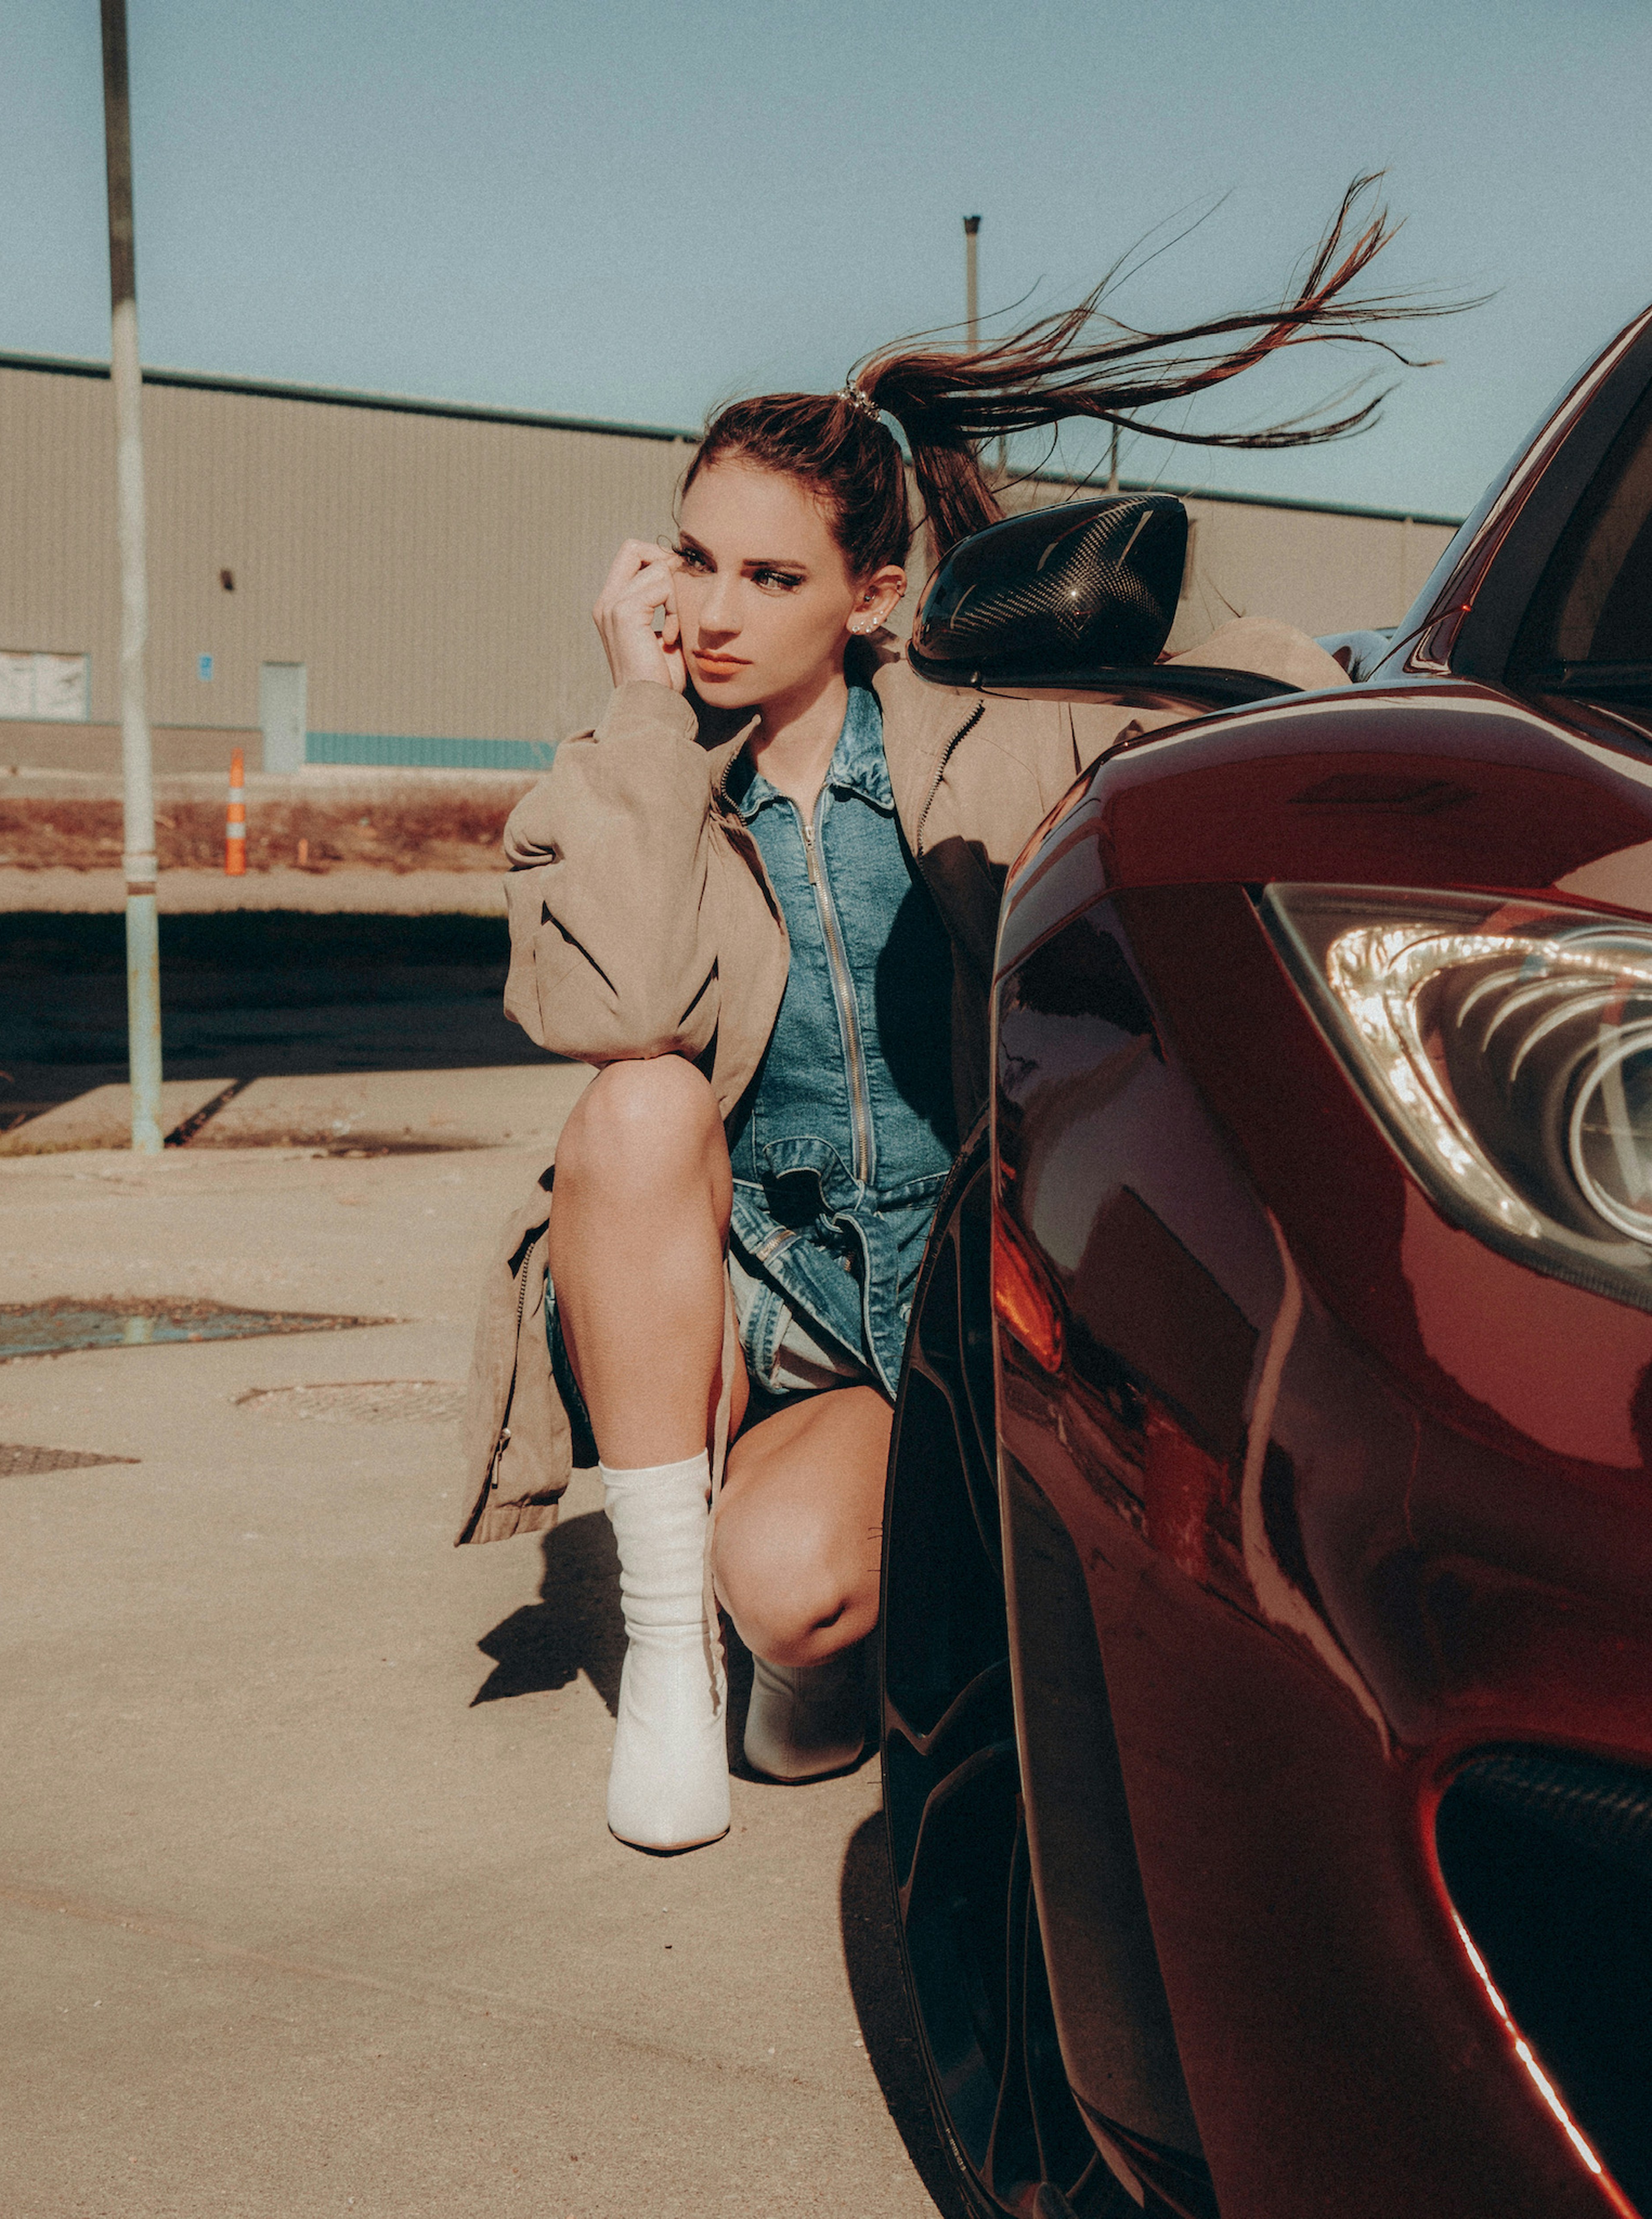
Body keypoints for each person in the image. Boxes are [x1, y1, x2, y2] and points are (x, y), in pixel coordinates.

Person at [460, 180, 1463, 1852]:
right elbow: (618, 998)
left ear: (869, 598)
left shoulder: (993, 721)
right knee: (636, 1106)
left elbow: (1286, 706)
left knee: (828, 1602)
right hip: (762, 1311)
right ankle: (673, 1652)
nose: (712, 611)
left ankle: (855, 1620)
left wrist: (1141, 619)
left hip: (949, 1288)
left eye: (768, 575)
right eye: (693, 559)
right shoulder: (634, 774)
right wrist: (640, 716)